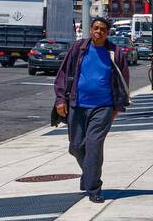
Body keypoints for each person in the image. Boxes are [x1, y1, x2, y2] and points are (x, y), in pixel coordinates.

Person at [53, 15, 130, 204]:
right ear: (91, 30)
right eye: (96, 28)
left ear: (107, 33)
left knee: (94, 146)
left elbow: (123, 80)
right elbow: (64, 74)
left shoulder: (115, 53)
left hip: (103, 107)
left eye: (103, 29)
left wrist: (117, 107)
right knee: (76, 146)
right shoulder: (78, 49)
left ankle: (94, 188)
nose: (99, 32)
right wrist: (60, 99)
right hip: (77, 105)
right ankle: (89, 175)